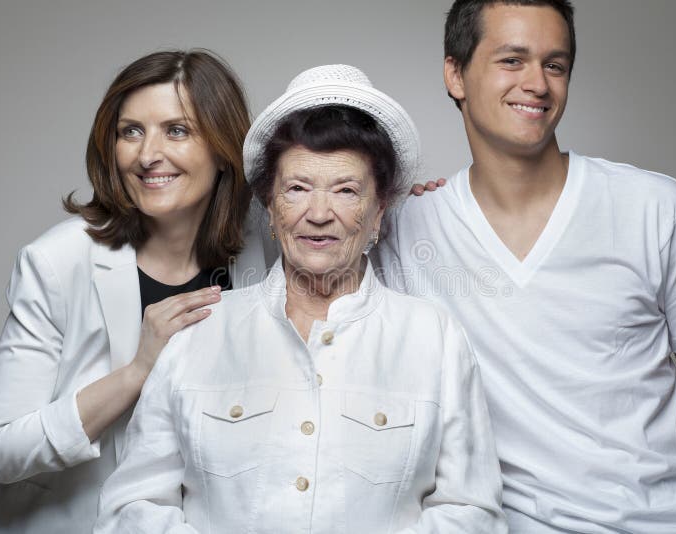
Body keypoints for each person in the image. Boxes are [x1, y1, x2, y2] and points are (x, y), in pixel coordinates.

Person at [374, 0, 676, 532]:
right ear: (455, 74)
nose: (537, 82)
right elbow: (288, 240)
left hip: (666, 520)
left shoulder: (653, 207)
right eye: (512, 60)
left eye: (554, 65)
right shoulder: (403, 228)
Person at [94, 64, 507, 533]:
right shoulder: (200, 332)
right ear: (270, 206)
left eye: (346, 191)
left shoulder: (435, 339)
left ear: (378, 213)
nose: (318, 214)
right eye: (297, 188)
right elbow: (132, 505)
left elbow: (472, 511)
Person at [0, 49, 274, 534]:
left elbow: (349, 221)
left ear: (222, 146)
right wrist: (138, 371)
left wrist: (414, 198)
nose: (147, 155)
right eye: (131, 131)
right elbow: (1, 448)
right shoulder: (57, 261)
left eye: (177, 130)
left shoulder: (263, 247)